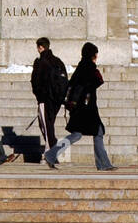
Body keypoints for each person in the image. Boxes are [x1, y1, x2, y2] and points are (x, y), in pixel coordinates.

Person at [44, 42, 115, 171]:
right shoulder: (88, 68)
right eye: (95, 54)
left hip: (80, 109)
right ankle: (103, 164)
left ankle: (51, 154)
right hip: (86, 110)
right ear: (92, 55)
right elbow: (97, 82)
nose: (96, 57)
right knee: (97, 132)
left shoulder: (81, 67)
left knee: (78, 135)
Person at [31, 37, 67, 150]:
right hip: (56, 99)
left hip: (44, 99)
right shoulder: (58, 61)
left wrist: (38, 95)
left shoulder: (40, 62)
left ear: (40, 47)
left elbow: (35, 81)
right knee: (49, 124)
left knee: (46, 125)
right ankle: (50, 148)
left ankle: (50, 151)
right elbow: (65, 79)